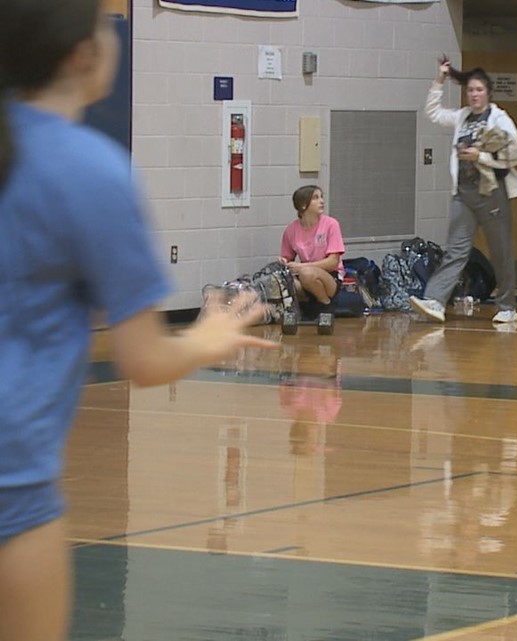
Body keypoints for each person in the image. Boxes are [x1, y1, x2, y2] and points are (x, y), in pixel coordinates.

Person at [0, 4, 276, 641]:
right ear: (80, 54)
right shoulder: (91, 170)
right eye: (105, 22)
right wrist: (207, 336)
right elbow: (143, 360)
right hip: (12, 490)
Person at [410, 58, 517, 325]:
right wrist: (439, 80)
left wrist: (480, 157)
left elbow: (515, 155)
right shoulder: (462, 117)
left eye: (479, 90)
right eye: (470, 90)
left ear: (488, 92)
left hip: (491, 193)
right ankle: (436, 301)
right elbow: (434, 113)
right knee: (456, 249)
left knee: (500, 251)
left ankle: (507, 306)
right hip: (463, 195)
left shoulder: (499, 118)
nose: (474, 94)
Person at [279, 185, 345, 318]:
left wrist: (302, 267)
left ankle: (326, 305)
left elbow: (333, 262)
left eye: (321, 197)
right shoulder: (291, 230)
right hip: (304, 275)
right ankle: (307, 307)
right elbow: (287, 257)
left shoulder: (331, 224)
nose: (321, 201)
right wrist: (284, 262)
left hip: (329, 276)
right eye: (316, 198)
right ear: (303, 205)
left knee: (307, 273)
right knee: (287, 281)